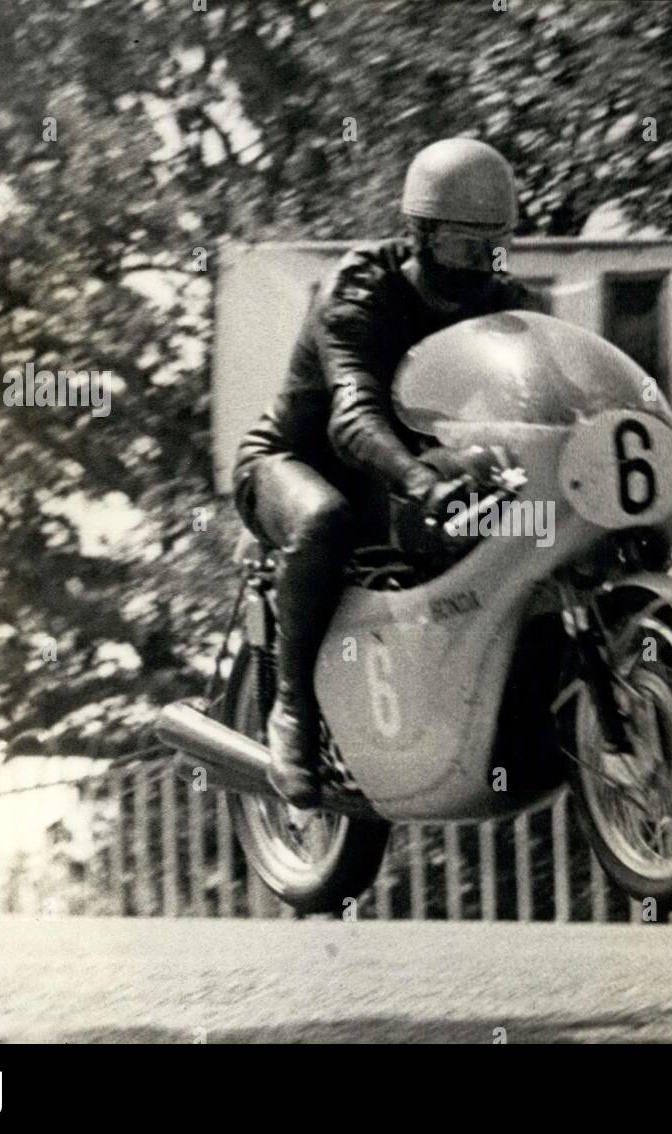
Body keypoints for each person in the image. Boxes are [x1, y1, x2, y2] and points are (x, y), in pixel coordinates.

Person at [233, 138, 538, 807]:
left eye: (493, 247)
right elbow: (351, 418)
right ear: (421, 234)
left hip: (401, 476)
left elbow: (553, 393)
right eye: (463, 246)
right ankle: (293, 713)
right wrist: (423, 478)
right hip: (294, 464)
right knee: (323, 519)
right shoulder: (358, 291)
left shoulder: (509, 305)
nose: (479, 266)